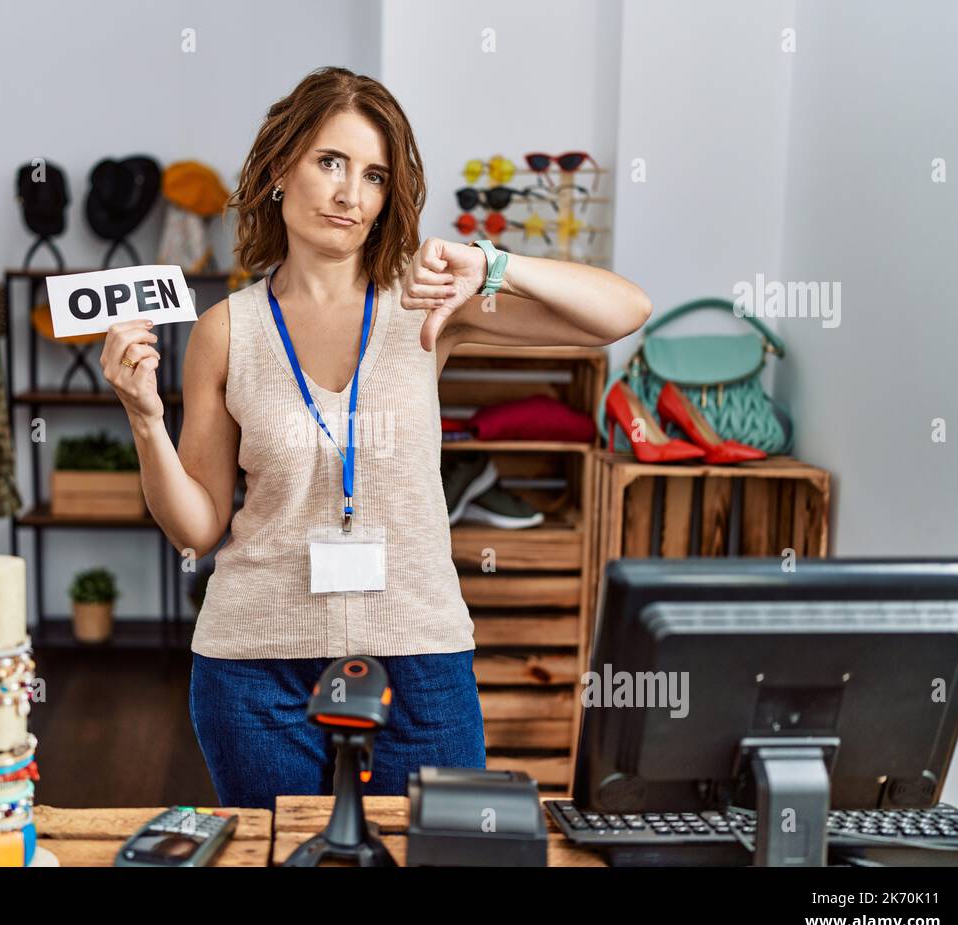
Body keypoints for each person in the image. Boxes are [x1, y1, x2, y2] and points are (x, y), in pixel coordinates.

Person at [100, 66, 652, 809]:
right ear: (278, 170)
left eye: (374, 176)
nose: (348, 194)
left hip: (419, 648)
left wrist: (494, 264)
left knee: (441, 850)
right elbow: (198, 528)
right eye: (329, 162)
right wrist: (143, 418)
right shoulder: (225, 331)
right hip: (255, 662)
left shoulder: (428, 304)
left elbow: (622, 312)